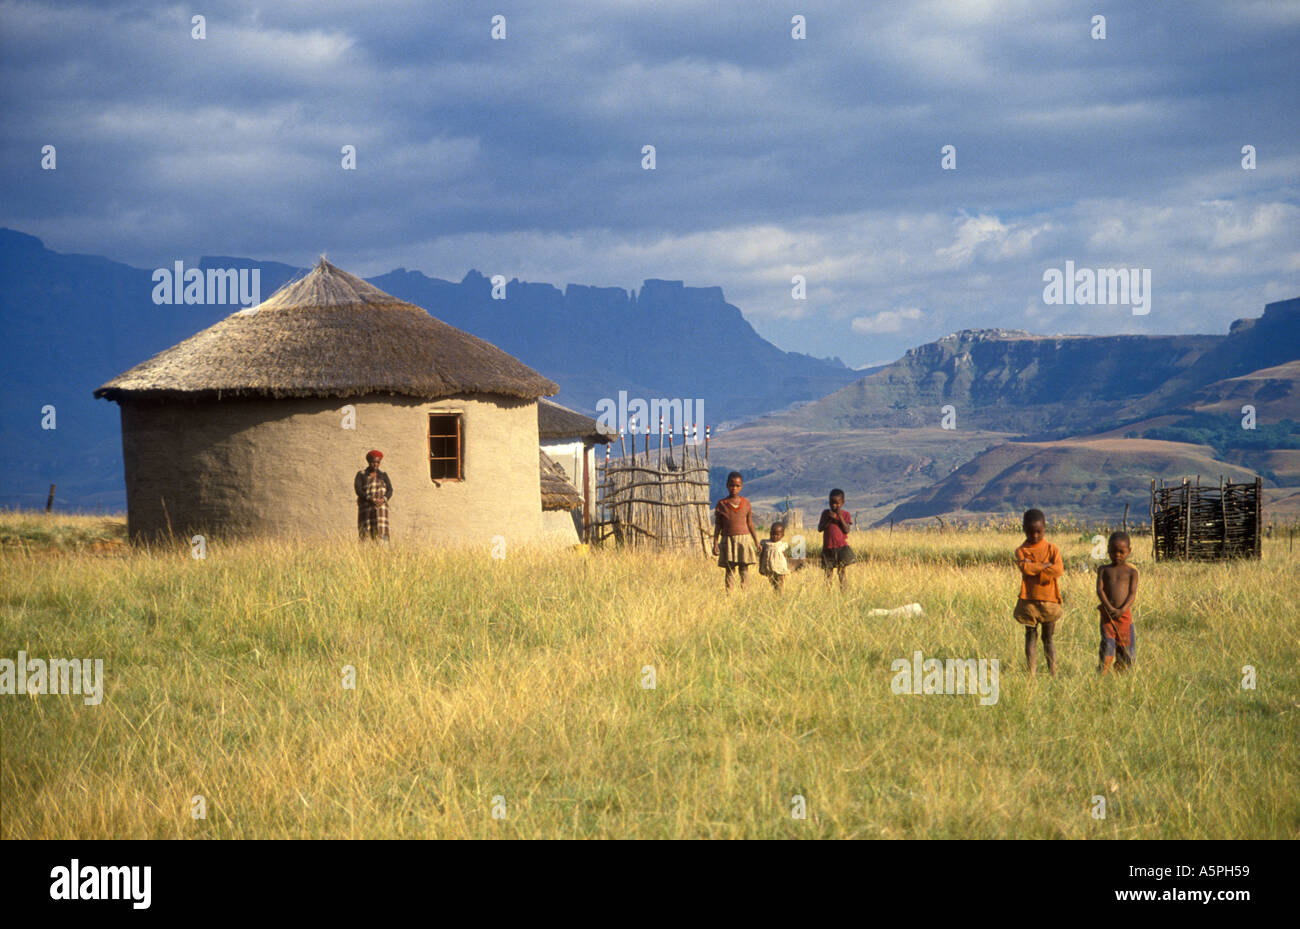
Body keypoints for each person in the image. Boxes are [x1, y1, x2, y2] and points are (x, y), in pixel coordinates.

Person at [1013, 508, 1064, 676]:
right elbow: (1025, 568)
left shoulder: (1052, 548)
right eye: (1030, 532)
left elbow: (1058, 570)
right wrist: (1044, 566)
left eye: (1038, 532)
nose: (1035, 536)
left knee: (1048, 638)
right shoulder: (1021, 550)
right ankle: (1032, 673)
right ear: (1023, 529)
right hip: (1029, 601)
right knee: (1030, 635)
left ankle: (1053, 672)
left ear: (1044, 529)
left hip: (1049, 601)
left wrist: (1035, 568)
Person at [1096, 531, 1139, 674]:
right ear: (1108, 550)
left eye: (1122, 552)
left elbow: (1132, 594)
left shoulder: (1132, 572)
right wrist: (1109, 607)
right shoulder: (1103, 570)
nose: (1117, 555)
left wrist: (1121, 610)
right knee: (1108, 644)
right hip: (1107, 616)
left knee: (1126, 648)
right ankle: (1102, 674)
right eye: (1113, 551)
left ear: (1129, 551)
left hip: (1124, 616)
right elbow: (1100, 590)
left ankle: (1121, 675)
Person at [712, 471, 761, 590]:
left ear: (741, 486)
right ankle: (729, 594)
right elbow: (718, 526)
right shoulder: (722, 504)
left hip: (743, 540)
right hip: (728, 540)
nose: (734, 488)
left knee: (744, 568)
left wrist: (756, 542)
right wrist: (715, 543)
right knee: (730, 569)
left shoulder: (746, 503)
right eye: (732, 485)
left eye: (737, 486)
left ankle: (745, 592)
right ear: (727, 485)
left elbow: (750, 523)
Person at [817, 488, 855, 589]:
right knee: (828, 574)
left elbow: (846, 530)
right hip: (828, 548)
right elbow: (820, 528)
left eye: (837, 503)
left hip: (841, 548)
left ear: (842, 503)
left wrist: (839, 517)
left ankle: (844, 593)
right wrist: (829, 519)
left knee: (841, 572)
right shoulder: (825, 513)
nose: (834, 505)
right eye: (831, 503)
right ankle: (827, 595)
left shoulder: (846, 514)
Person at [355, 450, 393, 542]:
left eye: (378, 462)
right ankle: (365, 555)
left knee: (382, 532)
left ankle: (384, 554)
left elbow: (390, 490)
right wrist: (370, 498)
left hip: (381, 509)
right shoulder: (361, 475)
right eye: (373, 462)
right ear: (369, 462)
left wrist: (383, 499)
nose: (375, 464)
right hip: (366, 508)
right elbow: (358, 490)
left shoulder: (383, 475)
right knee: (366, 532)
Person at [759, 521, 791, 593]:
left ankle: (779, 596)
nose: (775, 536)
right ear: (770, 533)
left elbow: (784, 556)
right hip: (769, 568)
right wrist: (761, 566)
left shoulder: (782, 545)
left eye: (777, 535)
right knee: (772, 583)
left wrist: (785, 566)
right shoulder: (765, 543)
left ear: (782, 535)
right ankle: (775, 595)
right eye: (773, 534)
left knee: (779, 583)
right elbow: (762, 555)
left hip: (779, 568)